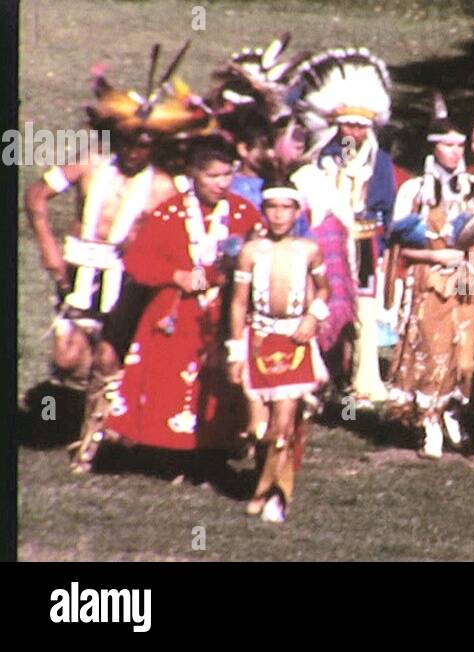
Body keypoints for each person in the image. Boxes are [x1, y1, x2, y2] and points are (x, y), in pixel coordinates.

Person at [23, 58, 209, 473]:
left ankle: (91, 441)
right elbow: (35, 196)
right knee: (68, 360)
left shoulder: (164, 186)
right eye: (129, 142)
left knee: (109, 360)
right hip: (76, 271)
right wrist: (48, 248)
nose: (135, 151)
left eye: (144, 145)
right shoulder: (90, 165)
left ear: (154, 146)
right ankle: (99, 401)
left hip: (125, 277)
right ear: (117, 139)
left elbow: (186, 226)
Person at [102, 138, 261, 462]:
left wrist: (207, 277)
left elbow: (253, 256)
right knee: (168, 379)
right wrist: (176, 276)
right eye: (213, 177)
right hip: (173, 311)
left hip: (225, 309)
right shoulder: (168, 213)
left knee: (217, 381)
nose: (222, 184)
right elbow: (137, 261)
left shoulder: (244, 213)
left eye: (227, 175)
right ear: (193, 175)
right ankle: (163, 452)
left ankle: (213, 450)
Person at [383, 116, 474, 458]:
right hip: (429, 283)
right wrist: (437, 256)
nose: (455, 152)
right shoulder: (414, 191)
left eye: (459, 145)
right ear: (432, 147)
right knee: (432, 353)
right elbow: (398, 248)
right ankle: (430, 422)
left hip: (467, 285)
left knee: (465, 359)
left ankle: (450, 409)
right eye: (447, 144)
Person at [290, 48, 397, 405]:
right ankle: (325, 376)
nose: (352, 132)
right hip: (329, 245)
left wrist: (377, 243)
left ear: (370, 128)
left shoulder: (380, 162)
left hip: (365, 245)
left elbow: (386, 207)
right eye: (346, 125)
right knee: (328, 305)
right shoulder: (321, 158)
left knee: (363, 312)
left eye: (359, 126)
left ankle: (364, 381)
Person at [227, 176, 329, 522]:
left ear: (297, 211)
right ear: (263, 209)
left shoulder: (309, 249)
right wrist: (235, 351)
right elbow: (238, 303)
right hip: (258, 339)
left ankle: (269, 494)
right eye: (272, 207)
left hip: (295, 341)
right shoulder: (251, 251)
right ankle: (265, 477)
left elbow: (325, 289)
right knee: (260, 429)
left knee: (284, 428)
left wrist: (313, 318)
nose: (279, 215)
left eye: (287, 208)